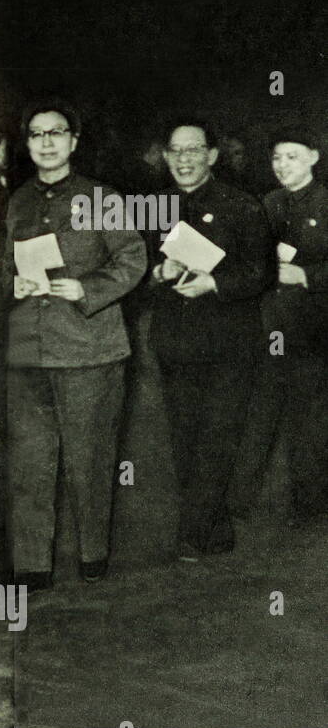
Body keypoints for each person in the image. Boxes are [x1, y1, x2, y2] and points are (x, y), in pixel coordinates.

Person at [3, 101, 146, 589]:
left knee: (89, 457)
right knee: (30, 459)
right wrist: (12, 283)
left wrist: (88, 287)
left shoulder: (102, 197)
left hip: (89, 347)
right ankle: (32, 563)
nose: (46, 142)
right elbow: (7, 265)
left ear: (74, 142)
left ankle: (93, 555)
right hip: (28, 346)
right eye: (36, 134)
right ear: (27, 144)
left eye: (56, 133)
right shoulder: (18, 200)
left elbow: (132, 258)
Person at [150, 119, 272, 560]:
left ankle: (194, 532)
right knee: (185, 437)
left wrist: (214, 284)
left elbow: (261, 273)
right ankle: (215, 529)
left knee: (219, 436)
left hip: (229, 344)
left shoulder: (242, 206)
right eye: (175, 151)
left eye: (193, 150)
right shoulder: (153, 208)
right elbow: (135, 271)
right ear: (165, 157)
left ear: (213, 156)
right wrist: (157, 274)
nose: (184, 159)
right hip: (175, 342)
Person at [233, 128, 328, 524]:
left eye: (291, 156)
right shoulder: (266, 204)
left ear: (314, 157)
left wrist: (306, 276)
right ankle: (239, 502)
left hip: (313, 328)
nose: (282, 165)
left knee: (308, 419)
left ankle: (308, 507)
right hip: (267, 327)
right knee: (260, 413)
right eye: (276, 158)